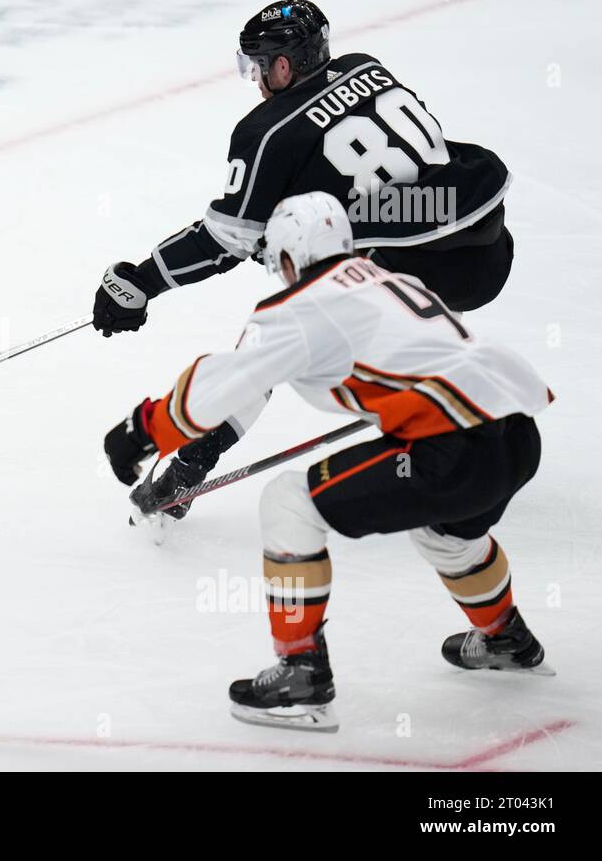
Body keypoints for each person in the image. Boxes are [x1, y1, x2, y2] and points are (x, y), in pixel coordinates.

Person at [106, 191, 552, 732]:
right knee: (447, 534)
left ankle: (301, 676)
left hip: (449, 449)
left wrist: (142, 430)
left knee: (290, 503)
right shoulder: (391, 280)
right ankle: (504, 635)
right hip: (517, 435)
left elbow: (231, 379)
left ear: (287, 255)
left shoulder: (302, 305)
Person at [96, 0, 515, 516]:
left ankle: (188, 469)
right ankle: (449, 384)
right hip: (488, 249)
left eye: (256, 65)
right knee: (326, 257)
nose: (254, 78)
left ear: (283, 65)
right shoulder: (367, 67)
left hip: (412, 277)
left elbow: (225, 239)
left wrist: (142, 282)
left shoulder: (265, 131)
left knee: (283, 330)